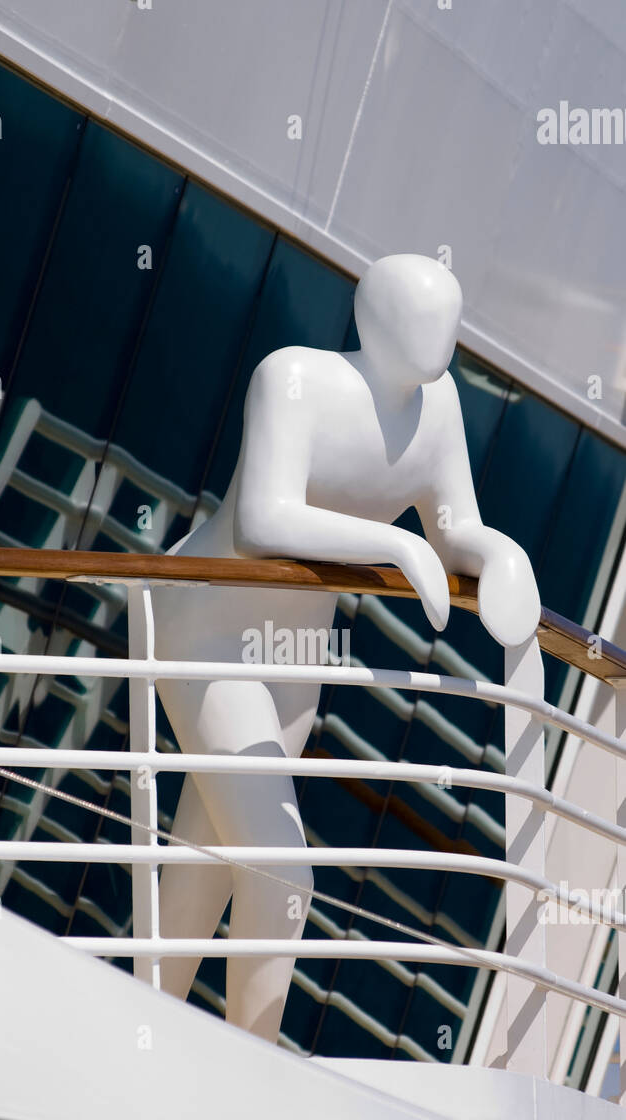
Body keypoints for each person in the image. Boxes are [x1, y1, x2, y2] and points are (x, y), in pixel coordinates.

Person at [151, 253, 540, 1042]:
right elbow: (263, 520)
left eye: (449, 319)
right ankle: (248, 1080)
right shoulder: (294, 377)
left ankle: (136, 1036)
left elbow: (452, 526)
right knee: (281, 868)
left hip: (294, 643)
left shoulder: (438, 409)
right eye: (424, 316)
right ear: (373, 315)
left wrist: (499, 556)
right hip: (208, 622)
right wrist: (394, 551)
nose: (442, 337)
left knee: (216, 848)